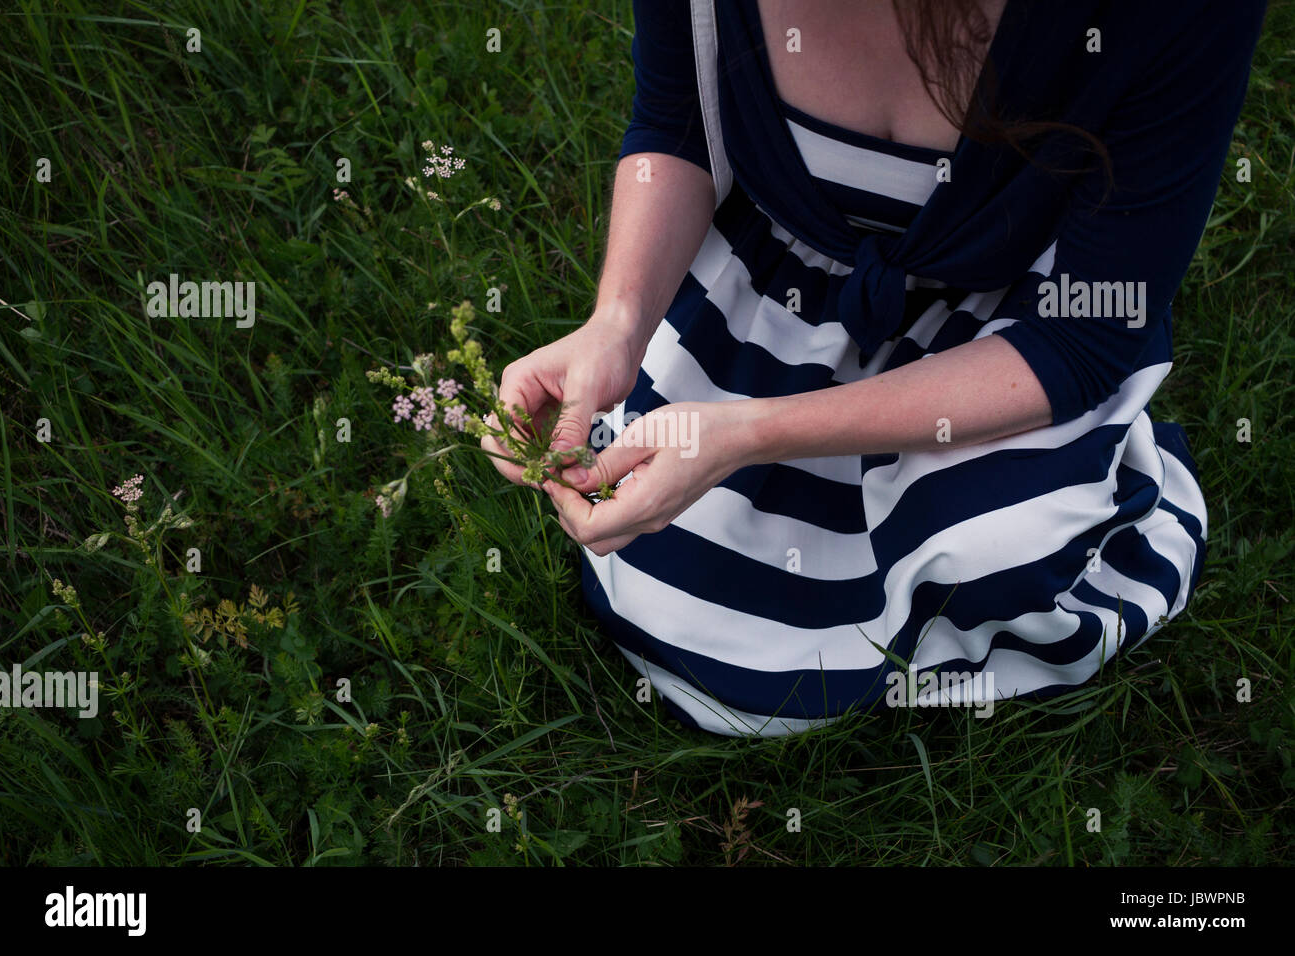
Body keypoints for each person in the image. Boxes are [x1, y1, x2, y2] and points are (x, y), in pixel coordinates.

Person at [483, 0, 1267, 736]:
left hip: (999, 340)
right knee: (675, 586)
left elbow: (1079, 336)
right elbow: (679, 128)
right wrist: (615, 325)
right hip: (778, 294)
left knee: (994, 558)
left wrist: (748, 434)